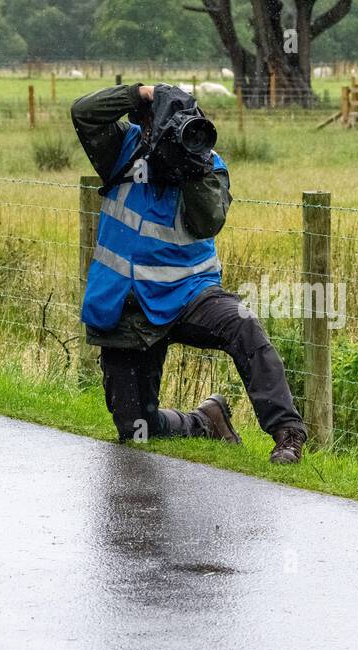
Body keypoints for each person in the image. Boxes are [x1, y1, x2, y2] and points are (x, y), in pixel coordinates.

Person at [72, 82, 308, 464]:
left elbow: (209, 221)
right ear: (143, 124)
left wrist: (189, 168)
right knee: (136, 431)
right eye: (161, 124)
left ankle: (288, 435)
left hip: (190, 293)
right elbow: (82, 112)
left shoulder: (208, 164)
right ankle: (205, 421)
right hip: (127, 302)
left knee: (243, 324)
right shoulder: (122, 148)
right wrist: (140, 93)